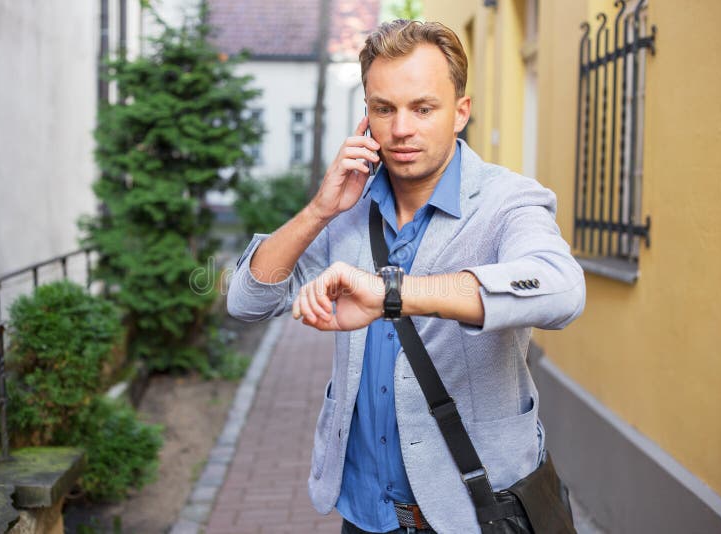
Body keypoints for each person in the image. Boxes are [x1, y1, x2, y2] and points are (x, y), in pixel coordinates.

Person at [227, 19, 586, 534]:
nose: (399, 130)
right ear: (366, 114)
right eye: (383, 108)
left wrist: (394, 294)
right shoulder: (347, 210)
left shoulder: (508, 201)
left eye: (422, 108)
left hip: (471, 515)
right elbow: (246, 301)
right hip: (365, 514)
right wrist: (319, 211)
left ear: (460, 112)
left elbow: (561, 287)